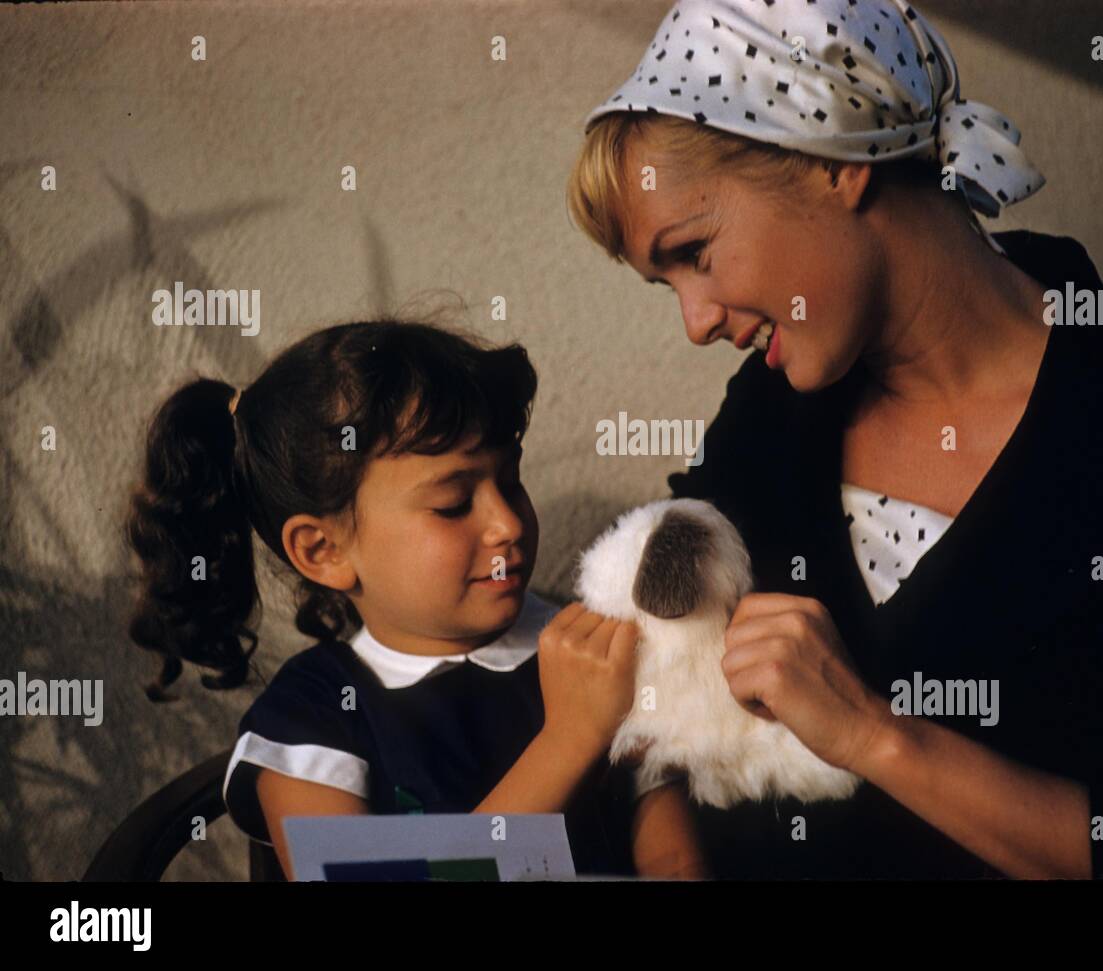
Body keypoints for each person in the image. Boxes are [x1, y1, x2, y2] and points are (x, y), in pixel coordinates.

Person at [566, 0, 1103, 878]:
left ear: (831, 162)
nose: (695, 321)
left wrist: (876, 734)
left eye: (695, 252)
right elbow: (664, 719)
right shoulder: (769, 419)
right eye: (665, 283)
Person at [124, 316, 707, 879]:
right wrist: (571, 739)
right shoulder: (311, 716)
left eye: (510, 480)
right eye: (453, 504)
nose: (506, 523)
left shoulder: (588, 648)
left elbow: (673, 860)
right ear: (323, 550)